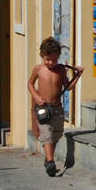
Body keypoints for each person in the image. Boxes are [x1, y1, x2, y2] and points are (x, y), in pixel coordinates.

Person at [28, 37, 83, 177]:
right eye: (47, 59)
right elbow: (30, 84)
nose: (51, 63)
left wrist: (78, 75)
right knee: (47, 134)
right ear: (42, 55)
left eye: (54, 59)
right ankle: (51, 162)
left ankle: (48, 158)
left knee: (56, 134)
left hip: (57, 108)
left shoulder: (61, 70)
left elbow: (68, 87)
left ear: (58, 57)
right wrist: (36, 97)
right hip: (43, 108)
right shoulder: (38, 69)